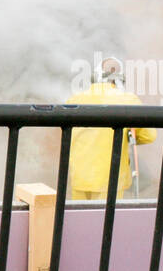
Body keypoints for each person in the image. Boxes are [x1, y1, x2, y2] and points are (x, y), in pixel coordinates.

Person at [67, 57, 156, 200]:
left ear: (95, 76)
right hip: (110, 177)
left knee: (81, 218)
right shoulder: (128, 100)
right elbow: (149, 135)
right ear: (120, 79)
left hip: (80, 177)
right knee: (106, 220)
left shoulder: (75, 99)